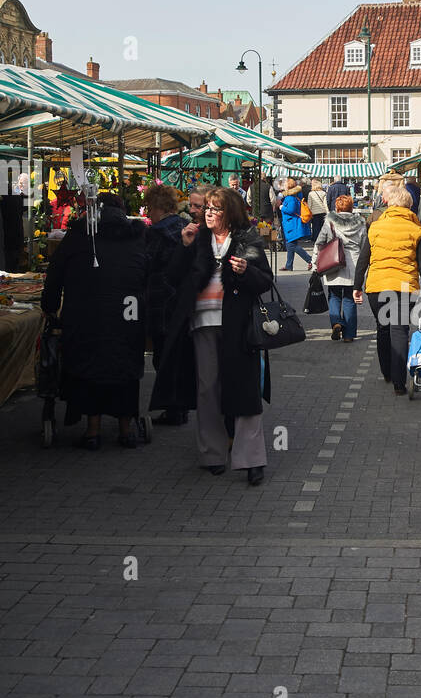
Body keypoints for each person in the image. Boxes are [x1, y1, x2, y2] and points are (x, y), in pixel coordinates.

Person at [151, 186, 272, 485]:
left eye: (215, 209)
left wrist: (246, 270)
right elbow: (173, 277)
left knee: (244, 390)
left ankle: (251, 459)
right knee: (207, 390)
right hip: (202, 322)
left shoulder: (247, 239)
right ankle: (212, 454)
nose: (207, 213)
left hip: (238, 325)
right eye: (206, 208)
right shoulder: (197, 238)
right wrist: (183, 245)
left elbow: (264, 281)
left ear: (229, 212)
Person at [41, 193, 147, 449]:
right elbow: (148, 275)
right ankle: (125, 429)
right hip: (127, 315)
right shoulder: (135, 237)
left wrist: (50, 306)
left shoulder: (78, 236)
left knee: (88, 365)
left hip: (84, 315)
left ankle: (93, 430)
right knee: (124, 365)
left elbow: (55, 273)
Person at [353, 183, 421, 394]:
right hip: (404, 287)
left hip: (377, 287)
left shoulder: (376, 227)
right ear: (408, 205)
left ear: (390, 204)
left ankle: (387, 373)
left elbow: (364, 259)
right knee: (399, 330)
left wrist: (357, 286)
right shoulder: (415, 229)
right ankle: (399, 383)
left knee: (383, 328)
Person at [142, 183, 188, 426]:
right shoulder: (185, 226)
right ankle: (180, 405)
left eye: (150, 208)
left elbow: (146, 265)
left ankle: (173, 408)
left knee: (162, 356)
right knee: (179, 355)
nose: (149, 213)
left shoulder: (156, 233)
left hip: (161, 301)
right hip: (182, 301)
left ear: (158, 207)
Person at [312, 192, 366, 342]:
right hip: (354, 265)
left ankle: (336, 322)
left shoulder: (329, 222)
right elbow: (364, 246)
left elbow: (319, 242)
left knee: (334, 296)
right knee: (350, 298)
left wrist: (315, 262)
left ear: (337, 207)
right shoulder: (360, 223)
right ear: (351, 207)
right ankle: (348, 335)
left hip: (333, 262)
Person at [280, 181, 312, 271]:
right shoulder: (296, 195)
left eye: (285, 184)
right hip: (293, 223)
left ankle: (311, 260)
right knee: (291, 244)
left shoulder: (290, 197)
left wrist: (282, 207)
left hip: (292, 224)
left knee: (291, 244)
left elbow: (291, 210)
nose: (283, 186)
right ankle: (288, 265)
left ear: (288, 187)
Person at [307, 178, 329, 242]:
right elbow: (325, 204)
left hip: (314, 213)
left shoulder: (311, 194)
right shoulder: (323, 193)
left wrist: (309, 213)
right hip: (323, 212)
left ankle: (316, 240)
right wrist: (327, 212)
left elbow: (309, 205)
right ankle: (323, 239)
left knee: (315, 227)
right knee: (322, 227)